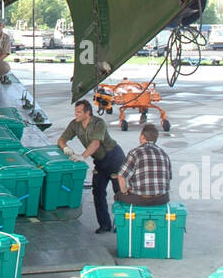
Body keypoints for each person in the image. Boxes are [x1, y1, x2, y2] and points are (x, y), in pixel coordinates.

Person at [56, 98, 125, 234]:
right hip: (99, 161)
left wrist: (82, 156)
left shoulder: (98, 123)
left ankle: (122, 225)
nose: (76, 114)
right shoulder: (75, 124)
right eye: (75, 111)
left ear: (88, 113)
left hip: (114, 158)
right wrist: (65, 148)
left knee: (120, 193)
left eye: (79, 112)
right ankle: (105, 225)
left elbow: (95, 143)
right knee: (98, 192)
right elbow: (61, 139)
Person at [116, 122, 172, 205]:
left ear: (142, 137)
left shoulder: (135, 153)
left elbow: (121, 176)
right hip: (162, 198)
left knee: (118, 196)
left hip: (141, 199)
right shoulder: (164, 154)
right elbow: (168, 178)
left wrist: (125, 191)